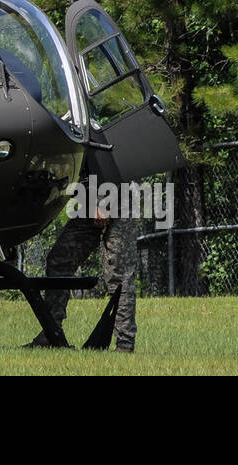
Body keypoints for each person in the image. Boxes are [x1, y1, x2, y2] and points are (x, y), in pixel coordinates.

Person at [41, 147, 140, 352]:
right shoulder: (57, 125)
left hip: (118, 196)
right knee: (60, 260)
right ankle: (51, 335)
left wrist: (104, 203)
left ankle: (124, 344)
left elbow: (108, 162)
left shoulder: (87, 126)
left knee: (118, 273)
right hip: (89, 200)